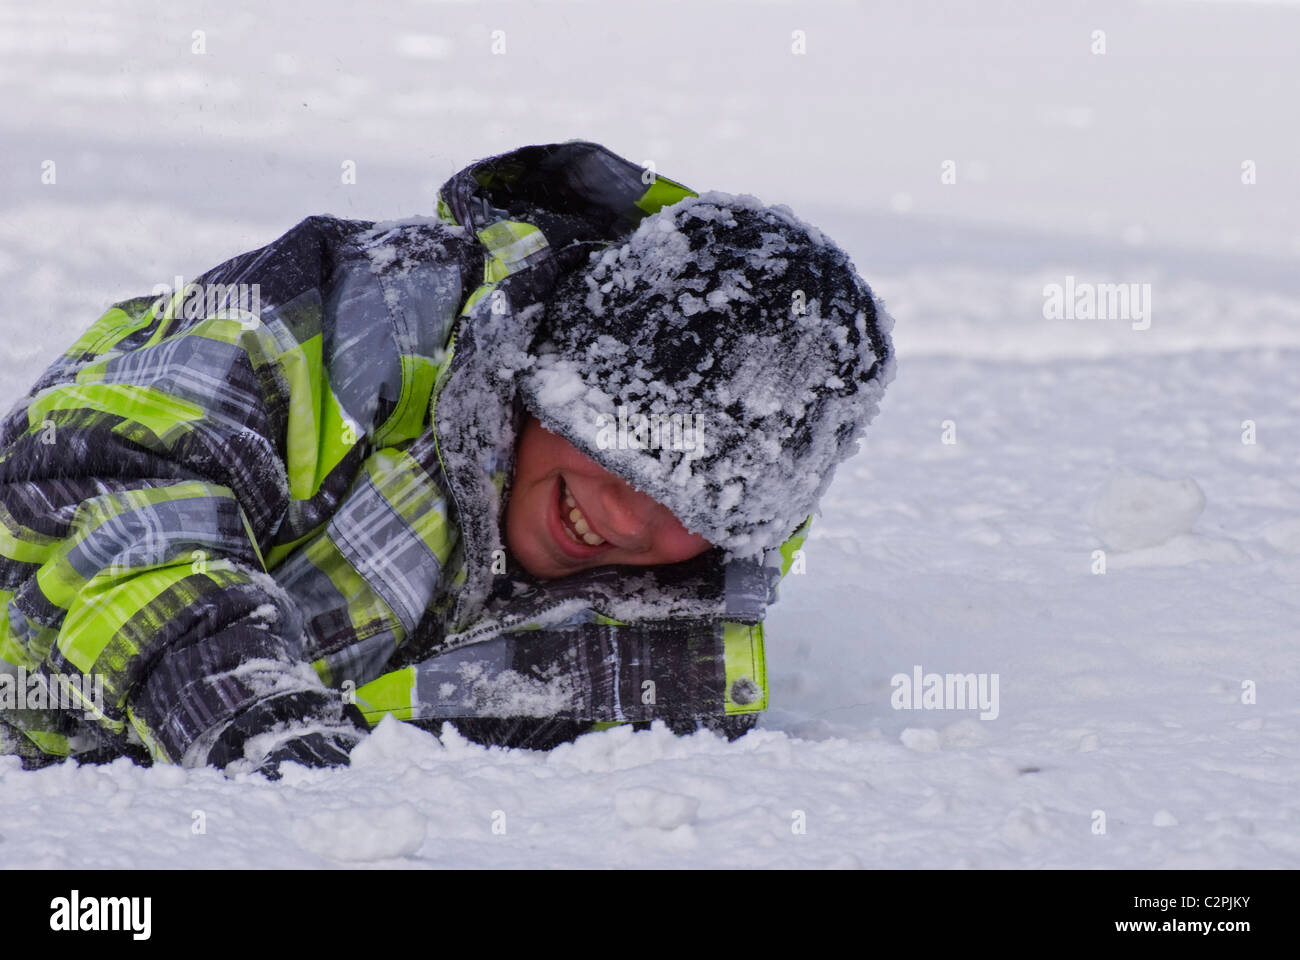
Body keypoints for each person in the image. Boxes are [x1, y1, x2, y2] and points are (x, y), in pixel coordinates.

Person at [0, 140, 895, 778]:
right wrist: (245, 709)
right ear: (552, 365)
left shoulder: (671, 672)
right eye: (624, 447)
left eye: (697, 509)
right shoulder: (369, 316)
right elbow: (94, 470)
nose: (629, 518)